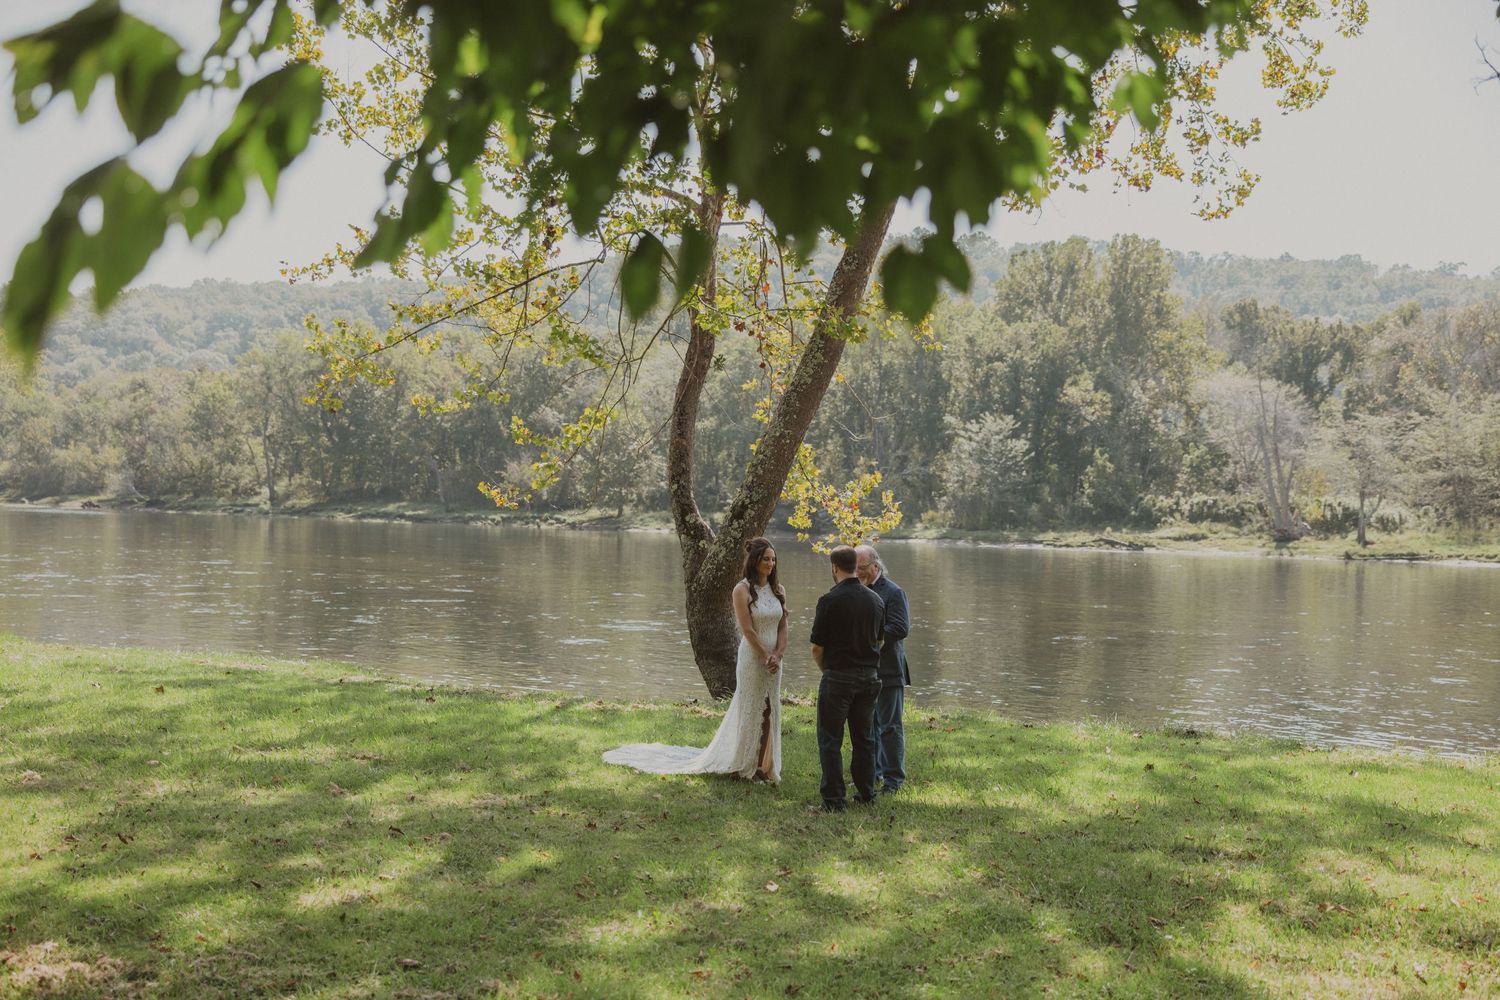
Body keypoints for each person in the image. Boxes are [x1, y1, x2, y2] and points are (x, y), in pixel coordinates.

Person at [603, 537, 789, 781]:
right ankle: (743, 765)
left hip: (775, 660)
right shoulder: (741, 590)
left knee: (770, 709)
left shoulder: (778, 590)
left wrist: (778, 655)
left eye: (773, 559)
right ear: (754, 561)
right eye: (766, 559)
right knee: (750, 709)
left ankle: (763, 767)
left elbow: (783, 625)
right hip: (754, 658)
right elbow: (747, 629)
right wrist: (765, 656)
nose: (771, 564)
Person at [809, 544, 885, 811]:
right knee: (865, 738)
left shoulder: (829, 601)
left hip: (839, 676)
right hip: (870, 677)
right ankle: (867, 793)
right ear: (855, 566)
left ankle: (834, 800)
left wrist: (828, 671)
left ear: (834, 567)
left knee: (830, 739)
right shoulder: (876, 600)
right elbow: (880, 641)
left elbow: (817, 647)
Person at [855, 544, 910, 794]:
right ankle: (873, 774)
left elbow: (900, 628)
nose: (858, 573)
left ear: (876, 566)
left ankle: (893, 780)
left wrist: (870, 639)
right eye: (855, 568)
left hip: (888, 670)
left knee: (890, 726)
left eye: (862, 568)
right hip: (864, 670)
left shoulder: (894, 592)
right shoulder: (857, 590)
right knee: (869, 726)